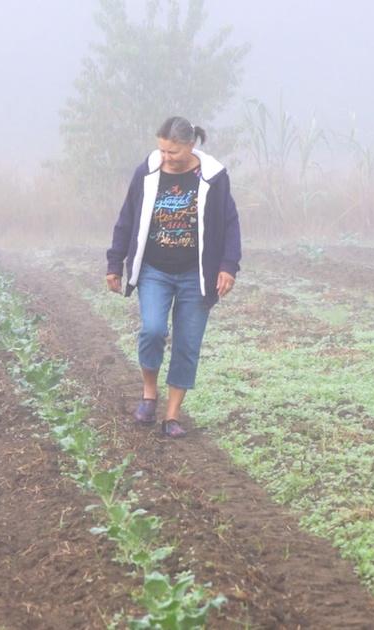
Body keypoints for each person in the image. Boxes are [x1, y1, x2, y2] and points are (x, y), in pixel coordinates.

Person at [105, 116, 241, 438]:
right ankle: (149, 394)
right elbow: (127, 217)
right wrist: (114, 263)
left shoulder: (214, 177)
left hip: (197, 274)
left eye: (173, 152)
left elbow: (230, 224)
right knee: (152, 330)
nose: (166, 158)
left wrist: (228, 266)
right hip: (155, 270)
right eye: (162, 151)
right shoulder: (148, 172)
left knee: (187, 343)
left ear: (191, 145)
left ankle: (172, 416)